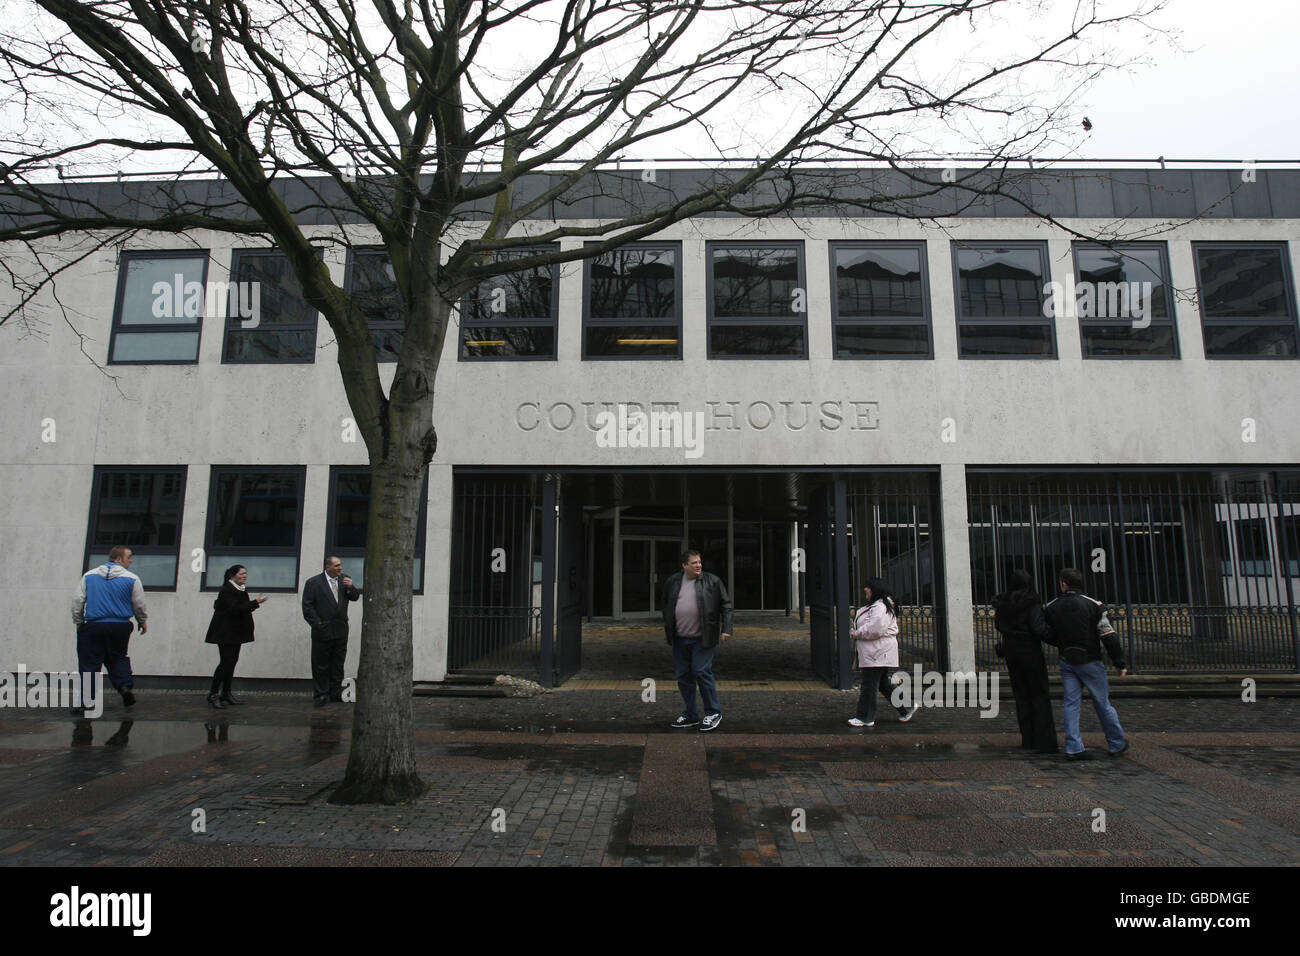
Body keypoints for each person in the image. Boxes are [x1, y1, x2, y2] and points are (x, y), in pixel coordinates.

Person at [1042, 567, 1129, 760]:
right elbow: (1109, 636)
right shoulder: (1094, 605)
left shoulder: (1052, 606)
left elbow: (1047, 633)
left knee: (1071, 704)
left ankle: (1073, 746)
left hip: (1067, 659)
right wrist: (1119, 662)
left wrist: (1061, 642)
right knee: (1102, 703)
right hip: (1090, 659)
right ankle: (1116, 742)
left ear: (1064, 583)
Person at [662, 550, 733, 732]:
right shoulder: (673, 582)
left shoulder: (713, 581)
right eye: (694, 563)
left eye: (700, 562)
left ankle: (713, 712)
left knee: (701, 671)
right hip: (680, 638)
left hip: (704, 637)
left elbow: (726, 606)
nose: (698, 565)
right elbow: (665, 604)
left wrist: (726, 628)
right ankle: (691, 714)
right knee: (683, 676)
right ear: (684, 565)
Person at [71, 544, 147, 710]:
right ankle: (124, 687)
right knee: (118, 658)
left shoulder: (89, 576)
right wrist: (142, 620)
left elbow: (78, 601)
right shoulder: (132, 578)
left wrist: (79, 622)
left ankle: (87, 701)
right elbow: (139, 604)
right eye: (129, 557)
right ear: (118, 559)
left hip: (94, 626)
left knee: (89, 663)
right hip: (120, 626)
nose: (131, 561)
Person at [991, 569, 1058, 753]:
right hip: (1029, 649)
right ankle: (1044, 740)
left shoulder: (1004, 602)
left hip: (1012, 650)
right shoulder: (1031, 601)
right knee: (1039, 694)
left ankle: (1027, 738)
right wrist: (1056, 639)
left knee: (1021, 696)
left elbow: (999, 625)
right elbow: (1038, 628)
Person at [848, 577, 920, 727]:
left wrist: (857, 633)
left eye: (868, 587)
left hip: (876, 652)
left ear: (875, 590)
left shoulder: (880, 608)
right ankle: (907, 707)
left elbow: (875, 629)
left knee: (869, 684)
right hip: (877, 651)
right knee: (882, 684)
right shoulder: (879, 606)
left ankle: (865, 717)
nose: (865, 590)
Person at [204, 564, 267, 708]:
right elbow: (234, 609)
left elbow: (243, 608)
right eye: (241, 574)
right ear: (233, 576)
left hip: (236, 632)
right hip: (225, 633)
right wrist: (256, 602)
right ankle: (213, 694)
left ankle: (226, 693)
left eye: (245, 574)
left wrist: (253, 604)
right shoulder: (227, 590)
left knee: (232, 662)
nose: (244, 576)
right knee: (225, 662)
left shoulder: (241, 589)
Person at [301, 556, 360, 707]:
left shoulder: (344, 580)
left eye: (340, 565)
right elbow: (307, 606)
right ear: (327, 567)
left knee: (338, 662)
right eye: (337, 565)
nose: (340, 568)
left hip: (340, 629)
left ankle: (335, 692)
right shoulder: (314, 583)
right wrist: (318, 623)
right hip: (323, 630)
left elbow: (354, 597)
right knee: (321, 663)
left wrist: (351, 587)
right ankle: (321, 694)